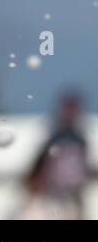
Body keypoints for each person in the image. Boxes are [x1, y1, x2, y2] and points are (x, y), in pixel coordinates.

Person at [21, 91, 94, 219]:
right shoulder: (54, 140)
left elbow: (84, 170)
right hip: (52, 196)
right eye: (68, 109)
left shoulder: (80, 141)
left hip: (73, 197)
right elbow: (38, 168)